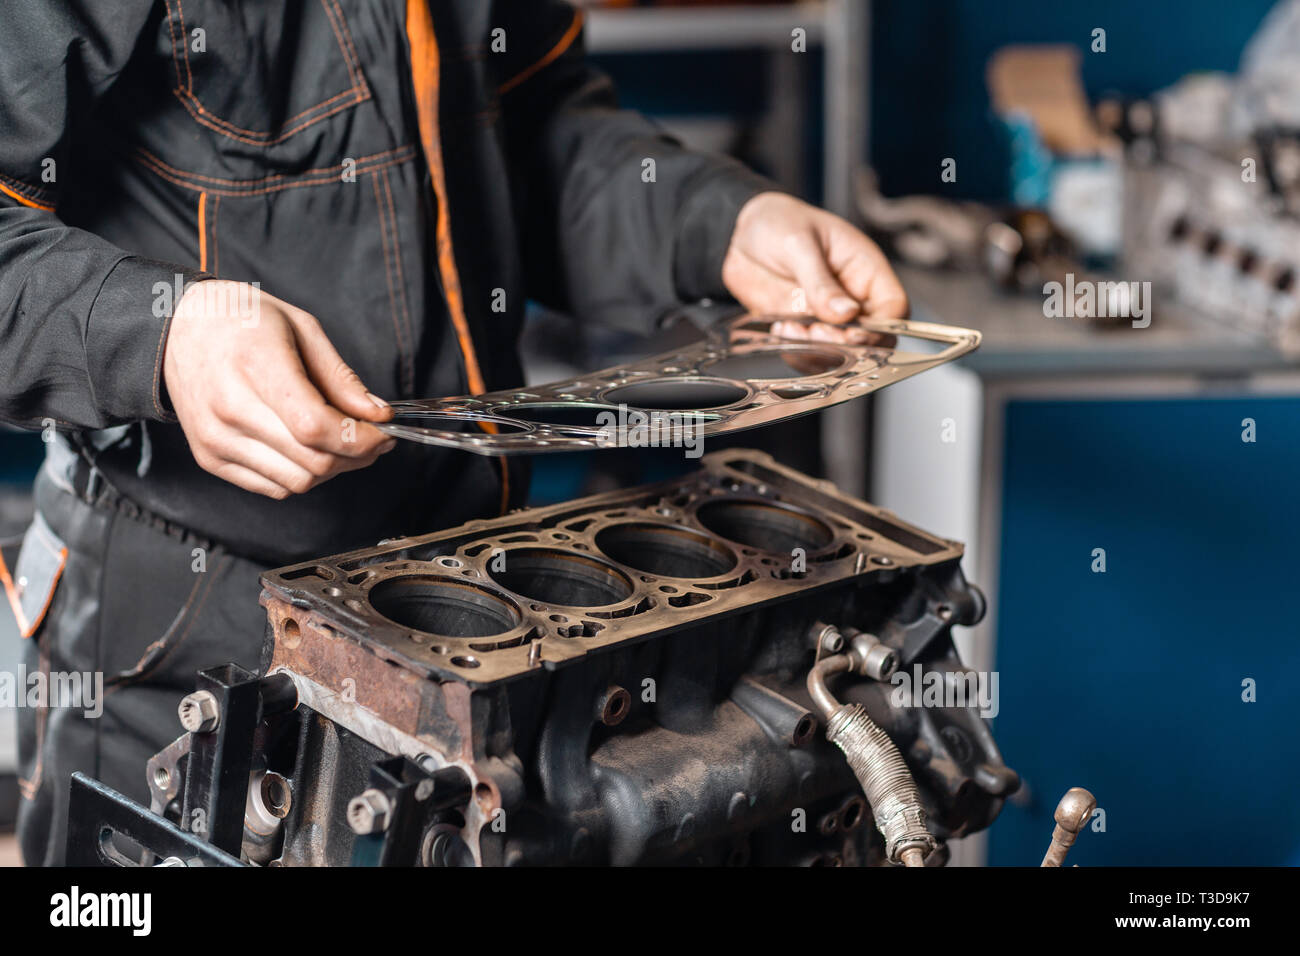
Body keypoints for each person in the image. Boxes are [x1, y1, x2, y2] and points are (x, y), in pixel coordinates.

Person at [0, 1, 907, 864]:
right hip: (188, 657)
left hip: (471, 616)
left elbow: (536, 136)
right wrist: (162, 333)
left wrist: (720, 224)